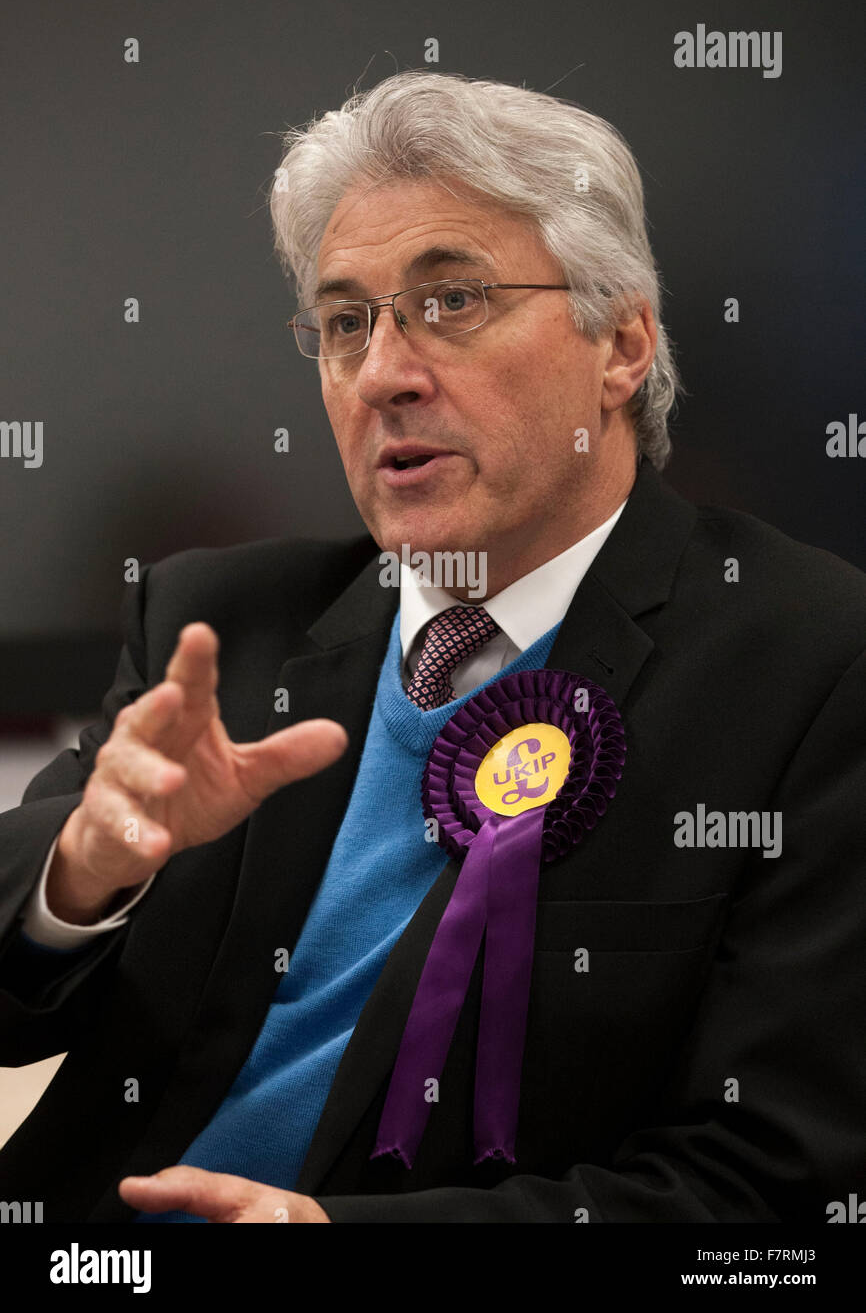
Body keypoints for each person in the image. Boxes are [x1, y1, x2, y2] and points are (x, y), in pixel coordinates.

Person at [1, 70, 864, 1224]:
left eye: (451, 301)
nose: (382, 375)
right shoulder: (216, 623)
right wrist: (86, 870)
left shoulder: (810, 664)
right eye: (345, 321)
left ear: (620, 344)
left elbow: (768, 1187)